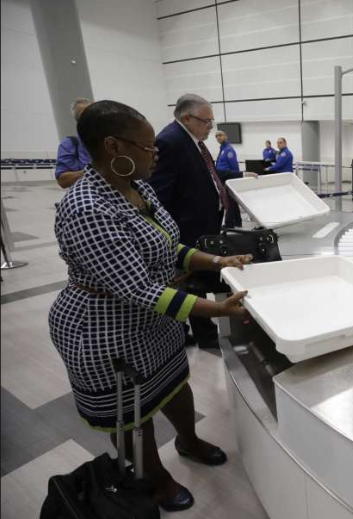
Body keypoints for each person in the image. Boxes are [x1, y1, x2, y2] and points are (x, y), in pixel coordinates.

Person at [49, 100, 253, 511]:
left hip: (152, 321)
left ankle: (189, 440)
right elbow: (139, 290)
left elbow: (168, 245)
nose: (156, 152)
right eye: (147, 146)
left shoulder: (136, 187)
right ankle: (154, 479)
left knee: (174, 381)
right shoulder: (87, 207)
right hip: (103, 327)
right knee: (130, 413)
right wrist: (218, 309)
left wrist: (217, 260)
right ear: (112, 146)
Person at [148, 93, 236, 349]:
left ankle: (199, 331)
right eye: (205, 121)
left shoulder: (192, 141)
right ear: (186, 117)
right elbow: (159, 194)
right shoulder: (170, 141)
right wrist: (173, 234)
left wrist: (238, 175)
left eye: (212, 121)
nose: (211, 127)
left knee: (196, 282)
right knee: (189, 284)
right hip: (186, 232)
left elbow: (206, 173)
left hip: (202, 228)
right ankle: (204, 335)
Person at [55, 98, 93, 188]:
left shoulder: (108, 140)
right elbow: (62, 180)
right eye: (83, 115)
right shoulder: (69, 144)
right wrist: (95, 171)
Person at [215, 130, 244, 228]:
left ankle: (229, 223)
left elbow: (234, 165)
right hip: (222, 177)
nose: (218, 137)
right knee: (232, 201)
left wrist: (236, 179)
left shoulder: (229, 150)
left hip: (228, 178)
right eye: (217, 136)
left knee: (228, 201)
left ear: (226, 136)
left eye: (220, 135)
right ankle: (237, 221)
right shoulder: (222, 149)